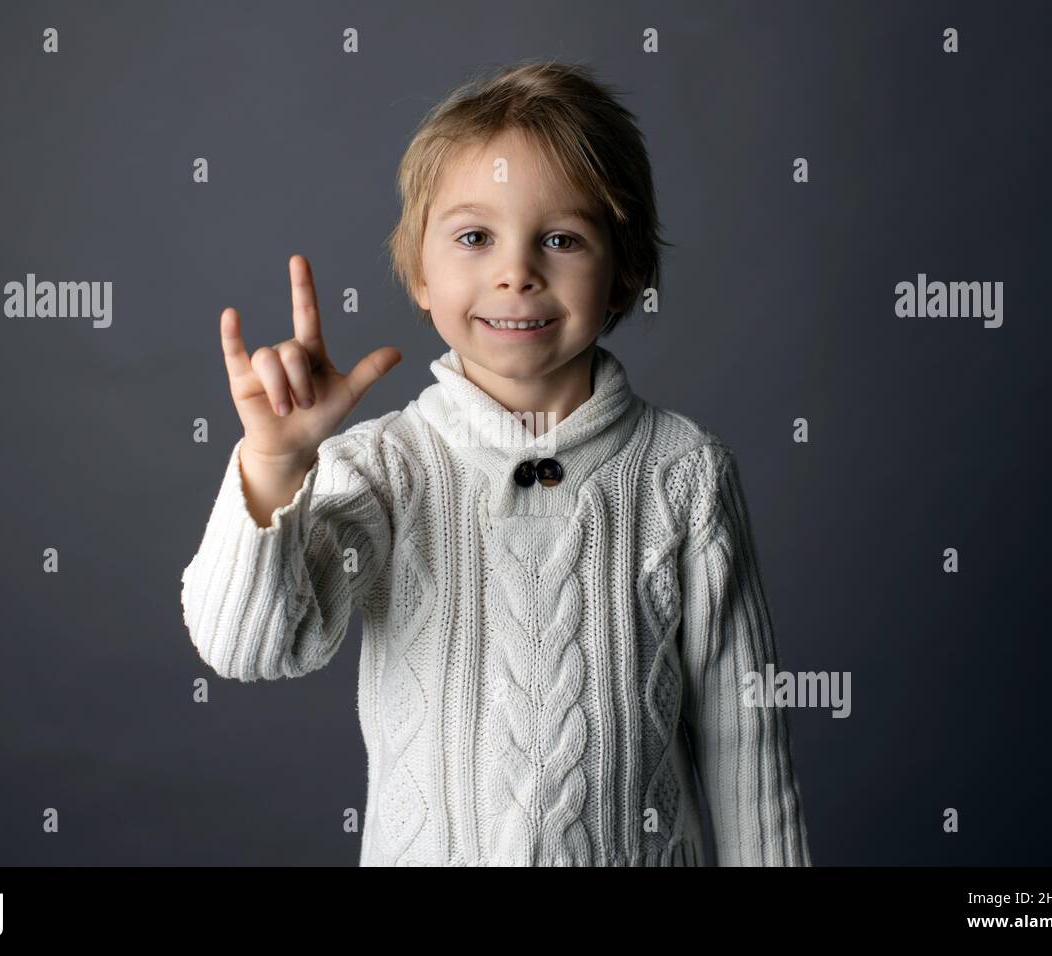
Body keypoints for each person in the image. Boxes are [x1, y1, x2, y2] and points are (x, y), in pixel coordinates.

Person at [180, 59, 812, 866]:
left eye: (561, 238)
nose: (516, 272)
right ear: (419, 272)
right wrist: (274, 464)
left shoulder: (682, 474)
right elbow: (250, 647)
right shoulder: (382, 468)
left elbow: (745, 738)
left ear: (624, 274)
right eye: (474, 237)